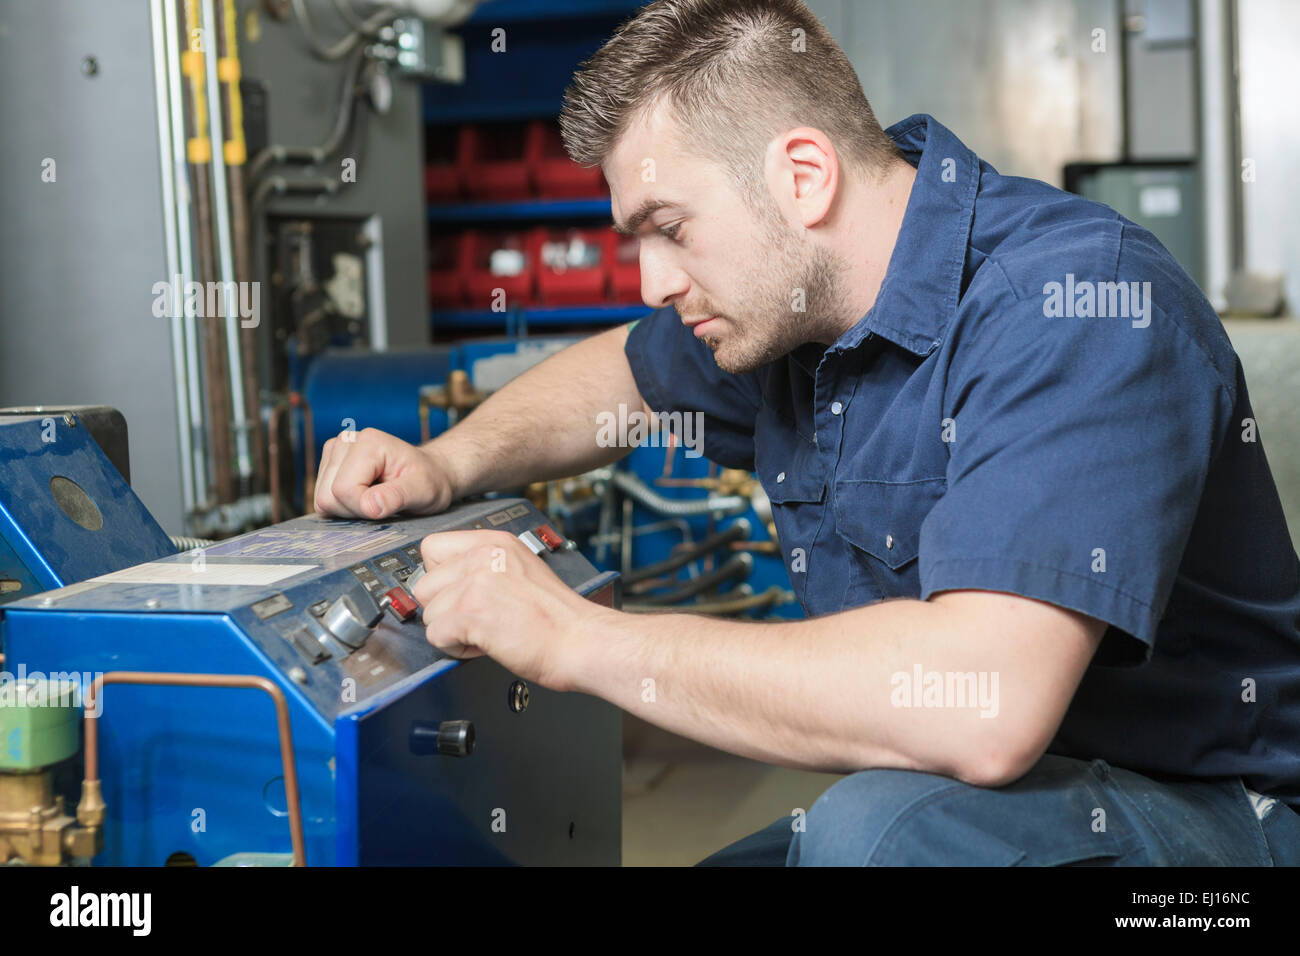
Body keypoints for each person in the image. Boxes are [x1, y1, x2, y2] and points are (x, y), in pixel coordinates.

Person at [313, 0, 1300, 865]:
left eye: (670, 227)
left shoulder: (1075, 304)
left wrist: (571, 635)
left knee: (877, 833)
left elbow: (983, 703)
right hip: (1011, 799)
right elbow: (620, 368)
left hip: (1224, 817)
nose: (652, 282)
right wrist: (445, 461)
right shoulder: (793, 316)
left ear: (801, 175)